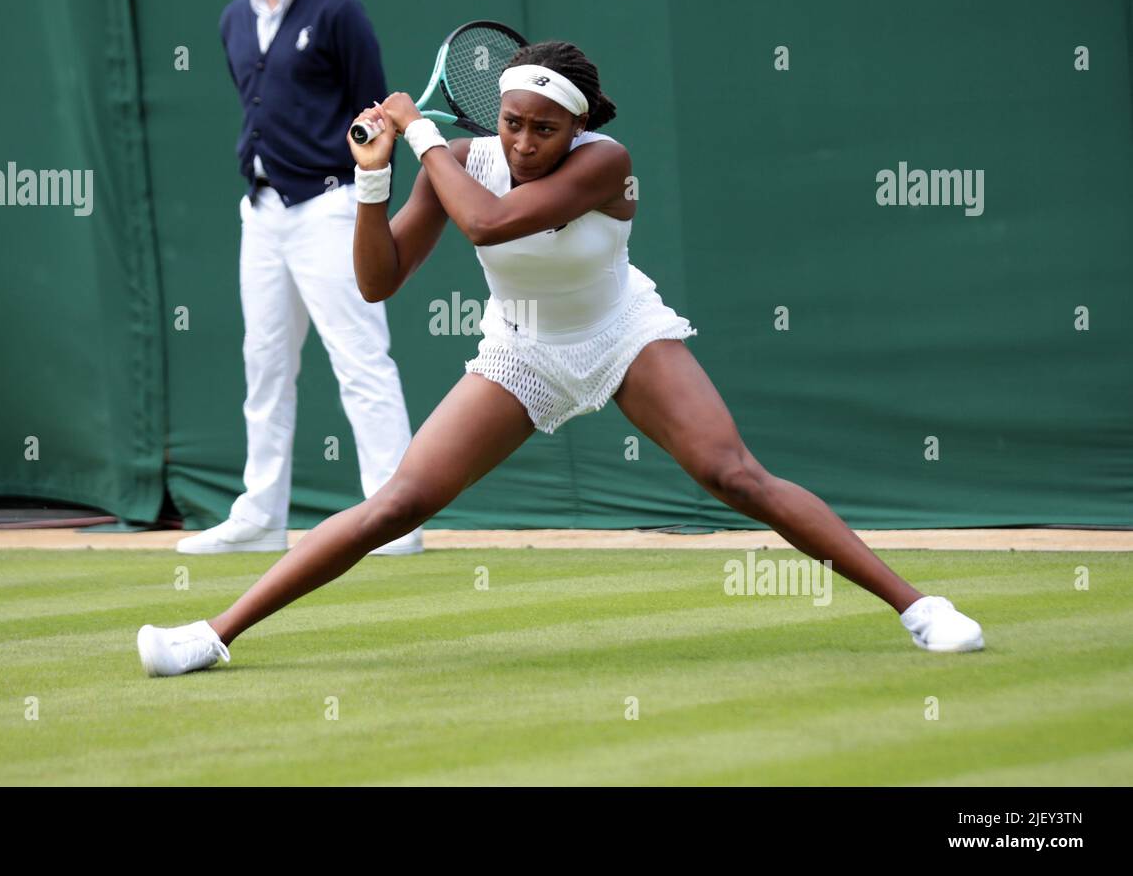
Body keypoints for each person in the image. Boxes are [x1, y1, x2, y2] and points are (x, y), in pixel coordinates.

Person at [138, 40, 985, 675]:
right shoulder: (459, 162)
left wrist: (424, 135)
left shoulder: (605, 163)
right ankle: (211, 637)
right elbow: (377, 282)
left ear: (577, 127)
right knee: (397, 504)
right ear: (493, 115)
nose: (524, 142)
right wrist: (371, 181)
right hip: (522, 351)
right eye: (511, 123)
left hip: (623, 335)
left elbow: (493, 225)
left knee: (734, 476)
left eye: (545, 129)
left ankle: (920, 608)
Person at [180, 0, 422, 556]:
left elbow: (373, 114)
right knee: (264, 364)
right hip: (261, 213)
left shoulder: (340, 12)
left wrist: (364, 197)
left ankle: (394, 516)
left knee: (360, 360)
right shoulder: (234, 18)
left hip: (331, 207)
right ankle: (261, 517)